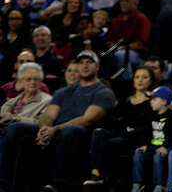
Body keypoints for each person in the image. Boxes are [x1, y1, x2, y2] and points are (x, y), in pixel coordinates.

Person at [7, 50, 116, 192]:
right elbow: (48, 116)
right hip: (56, 131)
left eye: (89, 62)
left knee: (69, 130)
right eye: (81, 62)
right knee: (16, 128)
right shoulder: (63, 92)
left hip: (83, 134)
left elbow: (87, 119)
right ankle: (8, 183)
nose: (84, 66)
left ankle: (59, 185)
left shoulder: (103, 92)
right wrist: (44, 130)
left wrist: (55, 129)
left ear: (97, 66)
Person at [84, 65, 155, 188]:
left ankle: (109, 178)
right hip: (120, 133)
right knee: (99, 132)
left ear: (151, 81)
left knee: (112, 143)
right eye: (137, 77)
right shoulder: (126, 100)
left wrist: (129, 129)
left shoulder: (153, 102)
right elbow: (114, 120)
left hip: (136, 138)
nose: (140, 80)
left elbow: (149, 126)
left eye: (144, 77)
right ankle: (96, 174)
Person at [131, 86, 172, 192]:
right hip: (152, 145)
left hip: (166, 146)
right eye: (151, 99)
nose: (151, 102)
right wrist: (145, 144)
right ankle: (138, 183)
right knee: (138, 154)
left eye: (154, 99)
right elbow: (147, 132)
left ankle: (160, 184)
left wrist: (165, 146)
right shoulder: (151, 115)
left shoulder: (171, 117)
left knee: (158, 157)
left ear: (164, 102)